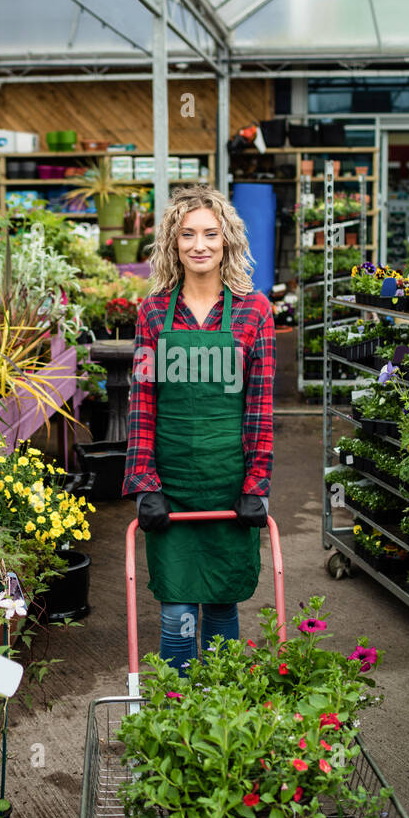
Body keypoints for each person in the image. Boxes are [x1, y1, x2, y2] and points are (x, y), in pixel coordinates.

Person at [122, 184, 275, 676]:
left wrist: (256, 487)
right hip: (172, 486)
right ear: (173, 243)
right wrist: (144, 484)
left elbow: (260, 408)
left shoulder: (255, 312)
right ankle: (176, 711)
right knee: (177, 613)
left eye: (210, 233)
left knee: (223, 605)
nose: (199, 244)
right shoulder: (152, 314)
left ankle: (221, 711)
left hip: (229, 487)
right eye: (187, 234)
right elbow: (142, 402)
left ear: (227, 240)